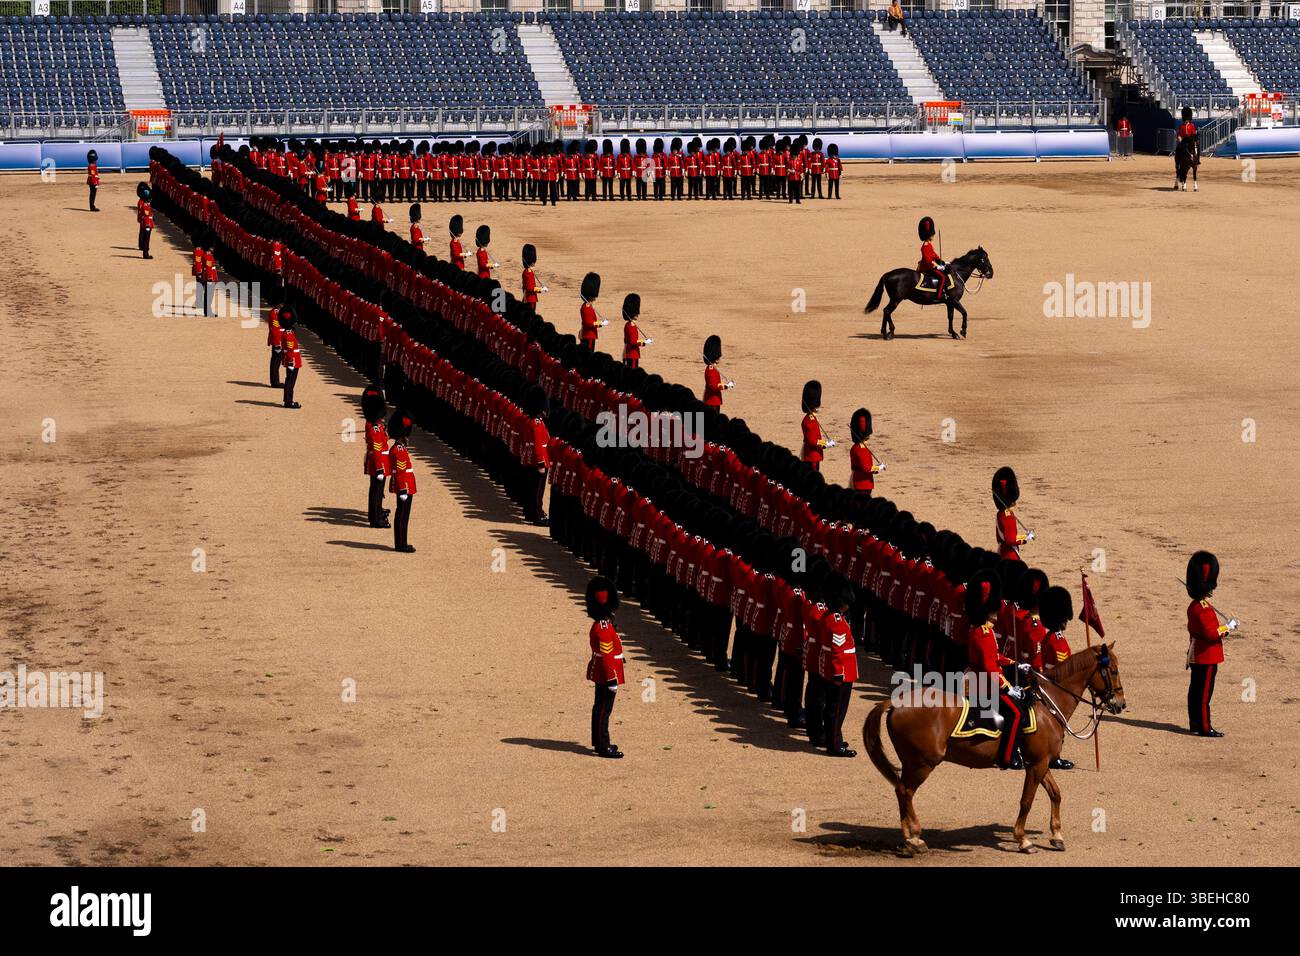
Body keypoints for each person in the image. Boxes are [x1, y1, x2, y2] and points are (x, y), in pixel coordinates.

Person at [966, 569, 1028, 770]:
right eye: (994, 607)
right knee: (1017, 713)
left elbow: (995, 657)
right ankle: (1008, 757)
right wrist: (1007, 687)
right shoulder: (983, 633)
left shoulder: (984, 630)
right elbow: (989, 667)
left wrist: (1014, 664)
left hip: (985, 679)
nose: (998, 610)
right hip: (984, 686)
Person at [1186, 550, 1235, 737]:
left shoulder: (1195, 606)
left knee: (1195, 691)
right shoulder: (1204, 609)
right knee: (1204, 694)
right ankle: (1205, 727)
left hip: (1196, 654)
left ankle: (1195, 723)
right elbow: (1211, 634)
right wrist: (1227, 627)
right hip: (1207, 656)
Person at [585, 575, 625, 758]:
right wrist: (612, 678)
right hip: (605, 672)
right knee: (603, 709)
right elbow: (607, 656)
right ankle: (603, 745)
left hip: (601, 670)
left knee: (599, 707)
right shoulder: (603, 627)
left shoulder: (603, 624)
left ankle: (599, 741)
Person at [819, 576, 859, 757]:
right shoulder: (837, 622)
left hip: (835, 671)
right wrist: (838, 675)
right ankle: (834, 746)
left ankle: (834, 738)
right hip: (841, 674)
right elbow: (837, 651)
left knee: (833, 709)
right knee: (836, 711)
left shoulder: (830, 617)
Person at [1038, 585, 1075, 769]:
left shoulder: (1050, 637)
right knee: (1059, 721)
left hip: (1049, 684)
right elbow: (1063, 667)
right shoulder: (1057, 640)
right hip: (1055, 687)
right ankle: (1055, 755)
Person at [387, 409, 417, 553]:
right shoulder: (399, 449)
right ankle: (400, 543)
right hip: (404, 485)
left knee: (403, 514)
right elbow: (400, 472)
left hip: (405, 484)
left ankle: (402, 542)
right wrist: (404, 489)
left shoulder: (399, 447)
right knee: (402, 515)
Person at [523, 386, 550, 525]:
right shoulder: (537, 424)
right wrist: (541, 464)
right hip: (538, 461)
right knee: (537, 492)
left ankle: (530, 512)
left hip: (529, 458)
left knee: (531, 488)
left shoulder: (530, 421)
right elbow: (539, 447)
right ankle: (537, 515)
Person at [992, 466, 1031, 560]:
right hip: (1010, 556)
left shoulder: (1000, 514)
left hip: (1002, 552)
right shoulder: (1008, 516)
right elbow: (1010, 539)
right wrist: (1026, 538)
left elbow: (1001, 538)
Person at [849, 407, 882, 495]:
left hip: (857, 480)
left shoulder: (855, 447)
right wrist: (879, 467)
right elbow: (867, 468)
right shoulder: (862, 449)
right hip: (863, 484)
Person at [800, 380, 831, 469]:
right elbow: (813, 441)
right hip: (812, 457)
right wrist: (826, 443)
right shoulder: (811, 421)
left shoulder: (808, 418)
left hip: (810, 455)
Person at [918, 215, 947, 298]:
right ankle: (939, 295)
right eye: (932, 235)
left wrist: (942, 262)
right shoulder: (925, 246)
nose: (933, 236)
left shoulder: (929, 245)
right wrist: (937, 266)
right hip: (927, 267)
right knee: (942, 277)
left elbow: (934, 255)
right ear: (929, 235)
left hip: (930, 265)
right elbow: (928, 260)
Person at [279, 306, 302, 409]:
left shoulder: (288, 332)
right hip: (292, 361)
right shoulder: (289, 333)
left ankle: (288, 400)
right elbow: (290, 350)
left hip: (292, 360)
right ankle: (289, 402)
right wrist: (291, 363)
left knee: (290, 381)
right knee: (290, 382)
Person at [702, 335, 732, 408]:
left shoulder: (712, 369)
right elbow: (714, 386)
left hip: (714, 401)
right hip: (712, 402)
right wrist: (726, 386)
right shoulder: (711, 370)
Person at [579, 272, 605, 351]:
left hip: (588, 335)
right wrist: (600, 323)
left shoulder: (587, 306)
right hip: (589, 336)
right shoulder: (587, 307)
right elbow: (589, 323)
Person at [622, 293, 648, 369]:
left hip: (628, 353)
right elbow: (633, 341)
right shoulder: (632, 326)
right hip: (633, 355)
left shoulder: (628, 324)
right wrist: (644, 342)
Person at [1176, 106, 1199, 192]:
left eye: (1187, 118)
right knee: (1179, 149)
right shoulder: (1181, 126)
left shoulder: (1192, 126)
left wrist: (1193, 138)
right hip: (1184, 142)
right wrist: (1179, 138)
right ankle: (1178, 161)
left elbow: (1193, 133)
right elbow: (1179, 134)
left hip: (1190, 141)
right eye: (1185, 118)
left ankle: (1197, 159)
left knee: (1197, 147)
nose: (1186, 120)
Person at [521, 243, 546, 311]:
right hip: (529, 299)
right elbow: (530, 288)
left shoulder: (528, 271)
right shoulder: (528, 272)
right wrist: (541, 289)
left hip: (530, 299)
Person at [266, 305, 283, 388]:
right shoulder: (275, 313)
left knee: (276, 362)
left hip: (279, 339)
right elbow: (276, 329)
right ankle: (275, 382)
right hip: (277, 340)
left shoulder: (277, 311)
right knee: (275, 362)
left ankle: (275, 381)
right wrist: (277, 343)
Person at [136, 183, 154, 259]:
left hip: (143, 221)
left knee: (143, 236)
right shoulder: (145, 205)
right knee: (146, 239)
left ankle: (144, 249)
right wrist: (148, 224)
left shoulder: (141, 202)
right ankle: (145, 253)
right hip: (147, 223)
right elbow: (147, 215)